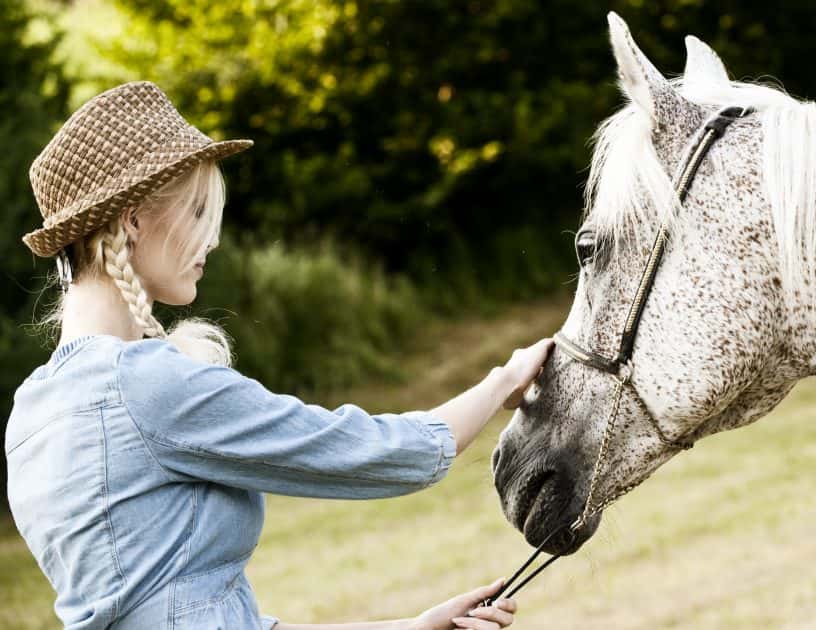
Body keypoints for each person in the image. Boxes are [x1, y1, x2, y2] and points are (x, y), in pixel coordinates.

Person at [6, 80, 554, 629]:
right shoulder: (148, 385)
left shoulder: (30, 415)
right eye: (198, 212)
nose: (212, 239)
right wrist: (500, 381)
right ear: (132, 220)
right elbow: (375, 451)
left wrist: (410, 629)